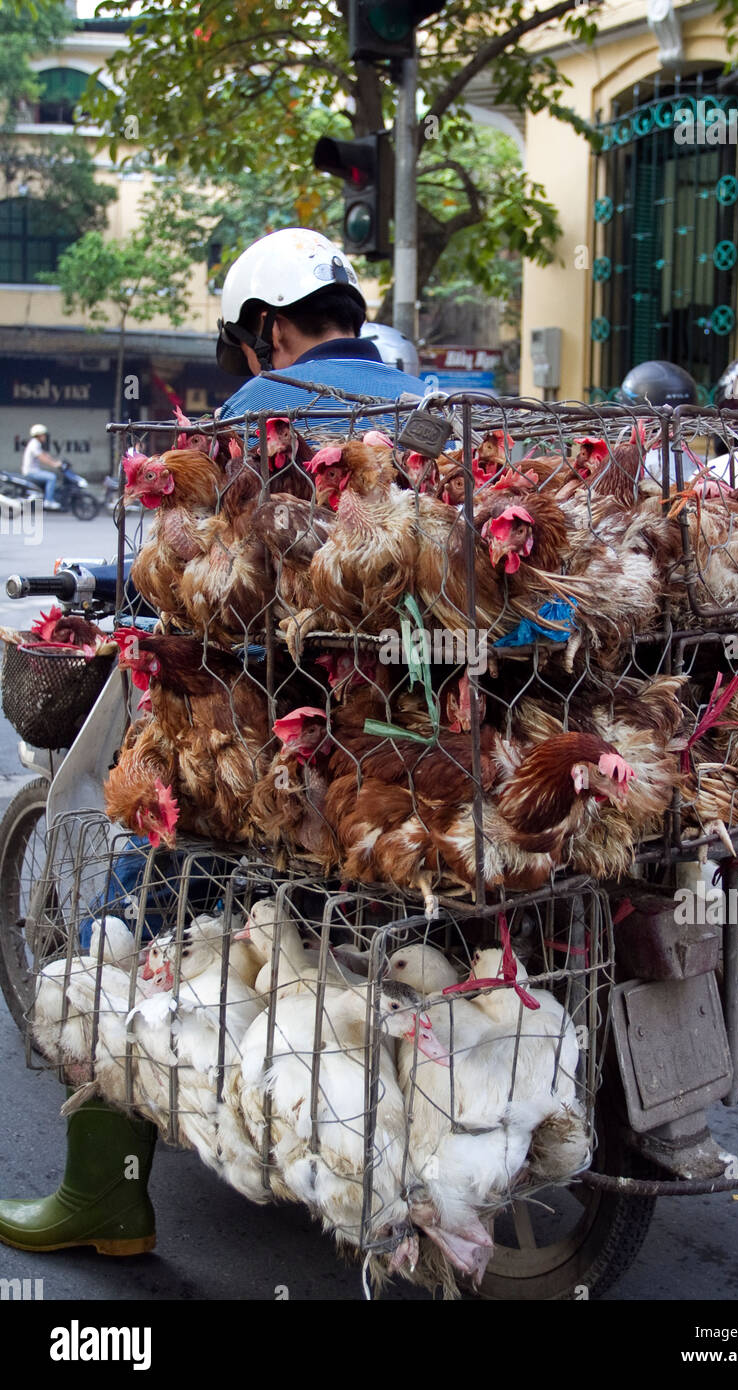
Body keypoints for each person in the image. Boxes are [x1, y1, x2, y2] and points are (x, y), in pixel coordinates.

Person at [0, 228, 429, 1261]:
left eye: (251, 342)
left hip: (273, 725)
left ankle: (107, 1197)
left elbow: (211, 574)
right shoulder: (429, 408)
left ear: (268, 328)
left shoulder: (259, 409)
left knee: (121, 924)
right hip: (410, 729)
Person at [216, 227, 427, 421]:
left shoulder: (249, 406)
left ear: (273, 330)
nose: (257, 375)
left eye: (248, 355)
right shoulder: (429, 401)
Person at [21, 424, 61, 509]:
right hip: (31, 472)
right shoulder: (34, 444)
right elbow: (42, 458)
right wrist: (54, 464)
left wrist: (55, 460)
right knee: (52, 477)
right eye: (44, 435)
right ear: (39, 435)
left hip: (33, 471)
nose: (45, 437)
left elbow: (44, 454)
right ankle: (48, 501)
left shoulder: (36, 443)